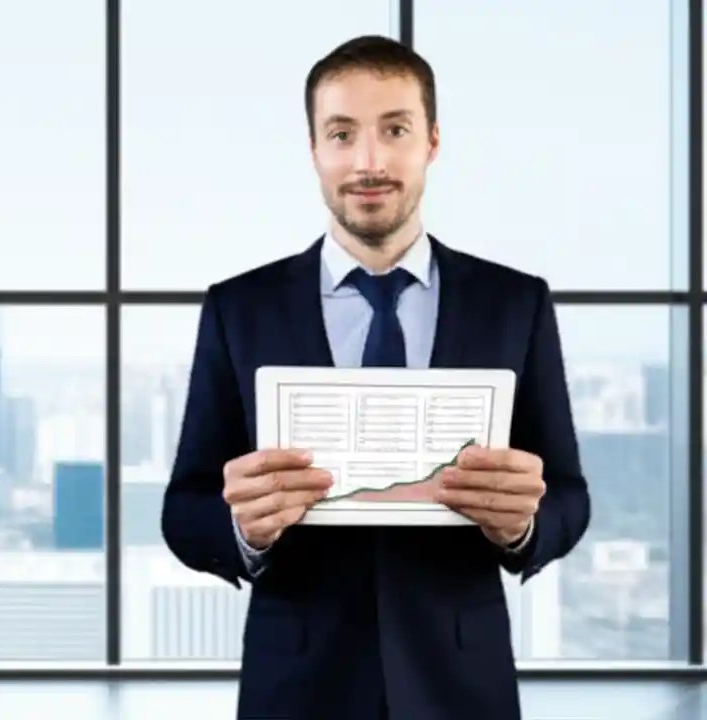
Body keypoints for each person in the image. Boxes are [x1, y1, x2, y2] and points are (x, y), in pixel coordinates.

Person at [161, 35, 591, 719]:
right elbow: (184, 511)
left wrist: (523, 525)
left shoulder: (514, 303)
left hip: (460, 685)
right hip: (297, 686)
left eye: (395, 129)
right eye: (341, 134)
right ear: (313, 151)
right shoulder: (239, 307)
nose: (368, 161)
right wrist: (244, 528)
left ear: (432, 142)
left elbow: (569, 493)